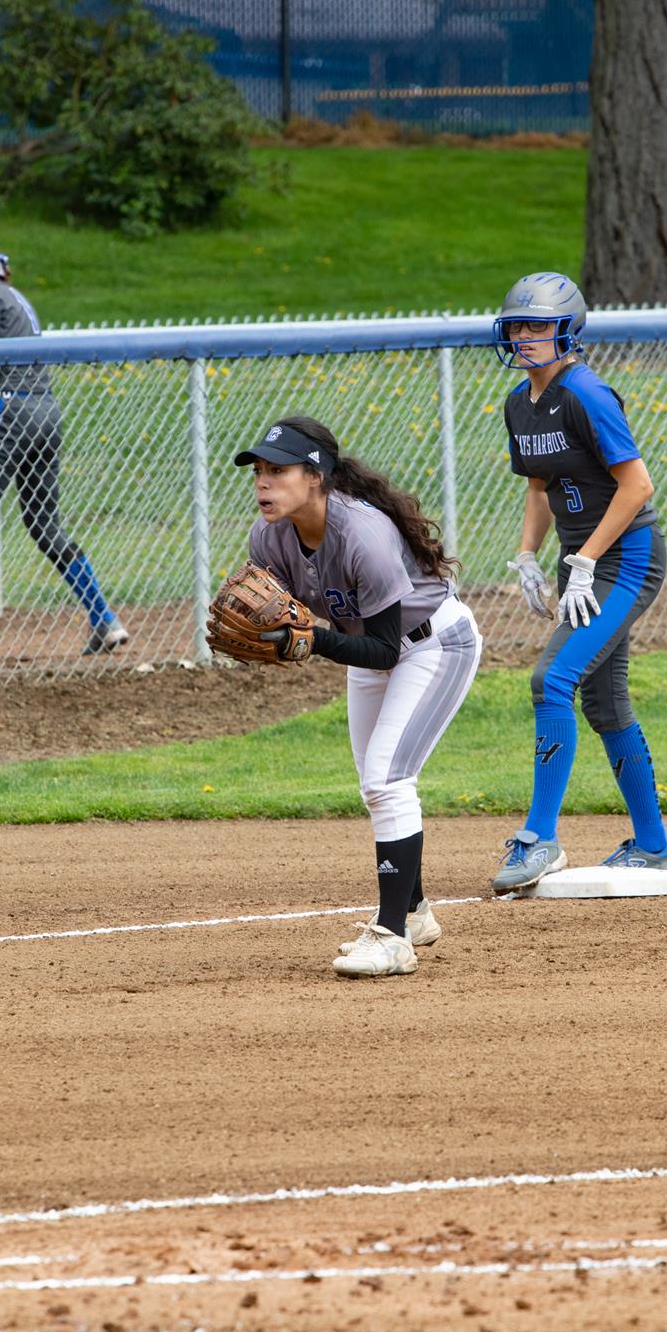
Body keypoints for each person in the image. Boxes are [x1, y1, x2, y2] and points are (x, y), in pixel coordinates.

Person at [231, 415, 482, 978]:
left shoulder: (362, 533)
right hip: (365, 646)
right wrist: (271, 636)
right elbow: (282, 617)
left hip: (432, 644)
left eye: (278, 471)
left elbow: (386, 649)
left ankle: (393, 938)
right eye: (259, 473)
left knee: (387, 780)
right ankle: (412, 911)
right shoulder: (267, 538)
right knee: (378, 785)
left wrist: (310, 640)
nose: (263, 484)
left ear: (316, 475)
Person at [490, 271, 667, 893]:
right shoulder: (520, 402)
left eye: (537, 325)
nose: (523, 336)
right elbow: (540, 486)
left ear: (568, 330)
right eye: (515, 325)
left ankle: (539, 839)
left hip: (628, 557)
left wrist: (586, 559)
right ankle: (652, 846)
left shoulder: (588, 394)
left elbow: (637, 486)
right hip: (586, 561)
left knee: (553, 679)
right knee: (602, 702)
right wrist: (527, 555)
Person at [0, 225, 127, 665]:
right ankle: (104, 619)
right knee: (44, 525)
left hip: (10, 413)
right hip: (45, 414)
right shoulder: (12, 295)